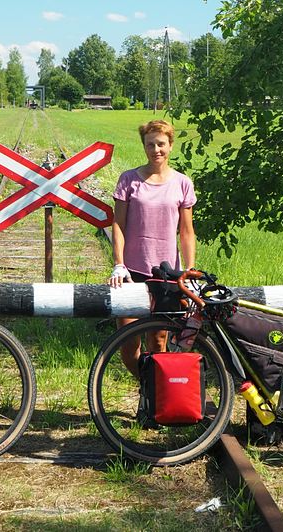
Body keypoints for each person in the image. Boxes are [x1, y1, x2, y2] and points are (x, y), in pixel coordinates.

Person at [107, 118, 197, 375]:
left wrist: (189, 270)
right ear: (144, 147)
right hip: (132, 272)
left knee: (158, 342)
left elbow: (187, 231)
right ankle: (145, 385)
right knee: (127, 341)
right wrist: (119, 264)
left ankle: (155, 399)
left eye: (161, 144)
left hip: (167, 275)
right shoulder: (128, 180)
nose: (155, 150)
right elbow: (119, 224)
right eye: (150, 145)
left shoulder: (182, 183)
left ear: (170, 146)